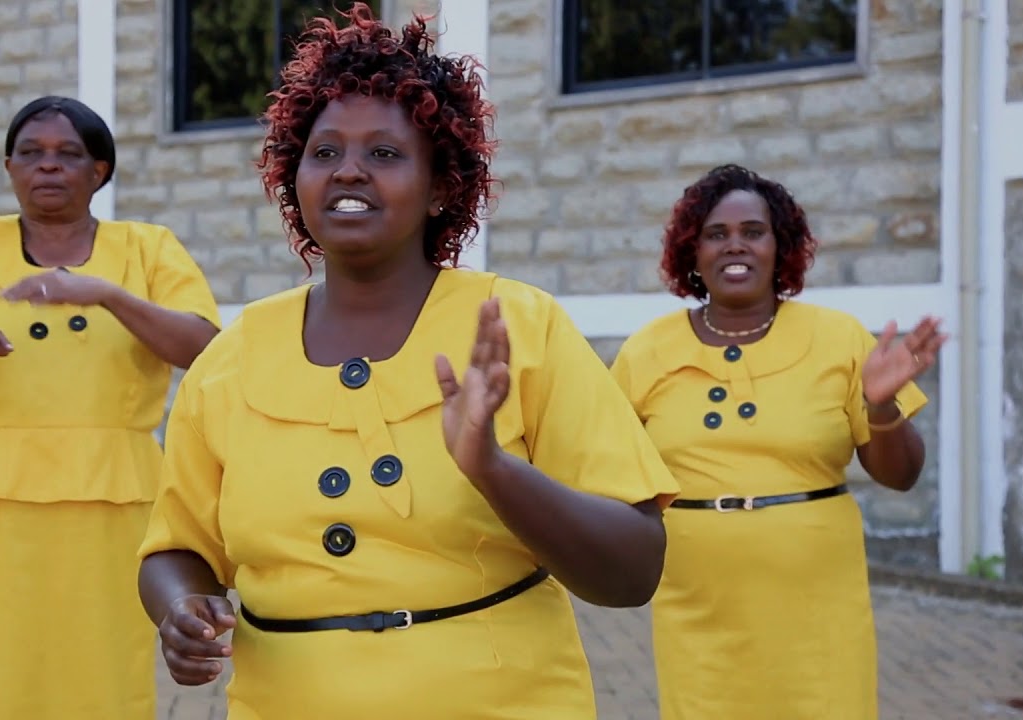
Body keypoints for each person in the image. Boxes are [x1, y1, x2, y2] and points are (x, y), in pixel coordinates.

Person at [136, 6, 679, 718]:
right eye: (323, 152)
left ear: (443, 187)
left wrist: (493, 470)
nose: (348, 171)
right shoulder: (232, 357)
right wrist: (182, 609)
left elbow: (632, 570)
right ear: (292, 178)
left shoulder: (520, 325)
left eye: (385, 154)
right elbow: (176, 548)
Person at [0, 96, 221, 720]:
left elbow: (204, 349)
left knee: (104, 662)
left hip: (114, 497)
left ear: (99, 170)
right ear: (8, 167)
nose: (47, 167)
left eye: (67, 155)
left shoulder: (146, 248)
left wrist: (106, 294)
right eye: (30, 153)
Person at [610, 164, 947, 719]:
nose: (734, 245)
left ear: (780, 245)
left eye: (753, 231)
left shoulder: (838, 338)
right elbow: (615, 478)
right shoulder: (646, 352)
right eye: (716, 234)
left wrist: (881, 405)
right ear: (691, 253)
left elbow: (902, 474)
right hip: (698, 609)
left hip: (819, 610)